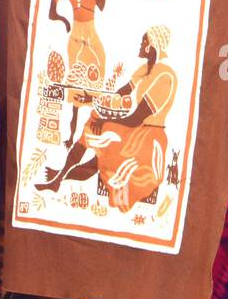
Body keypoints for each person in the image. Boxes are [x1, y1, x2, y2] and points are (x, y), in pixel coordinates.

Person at [35, 24, 177, 212]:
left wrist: (106, 121)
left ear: (151, 46)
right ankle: (60, 177)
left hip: (149, 136)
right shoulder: (146, 69)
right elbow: (121, 92)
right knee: (95, 122)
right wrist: (91, 98)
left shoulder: (165, 76)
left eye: (143, 42)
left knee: (104, 132)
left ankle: (62, 175)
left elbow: (137, 117)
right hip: (136, 129)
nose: (140, 46)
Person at [49, 0, 107, 146]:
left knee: (99, 71)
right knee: (75, 84)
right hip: (76, 34)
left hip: (91, 32)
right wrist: (63, 21)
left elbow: (102, 4)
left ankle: (95, 128)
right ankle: (71, 135)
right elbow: (51, 11)